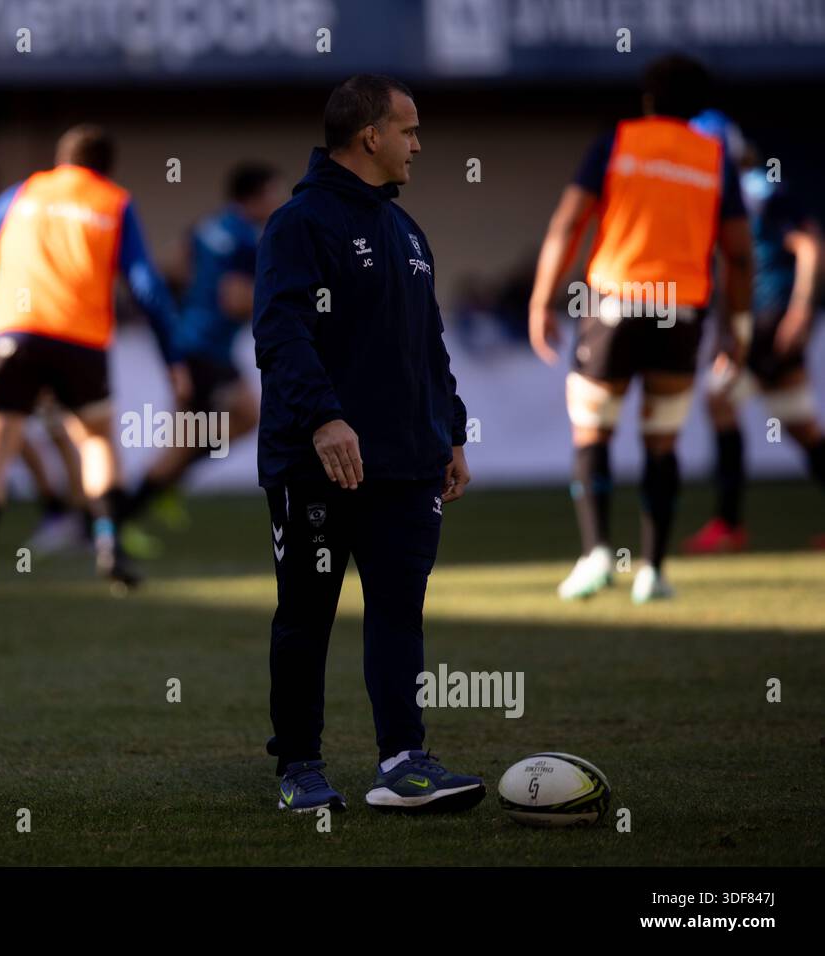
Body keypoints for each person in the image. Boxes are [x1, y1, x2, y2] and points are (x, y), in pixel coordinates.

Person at [253, 74, 483, 814]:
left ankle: (403, 765)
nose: (417, 144)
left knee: (398, 613)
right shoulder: (298, 224)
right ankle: (299, 767)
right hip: (316, 464)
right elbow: (280, 334)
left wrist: (451, 430)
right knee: (306, 615)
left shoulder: (406, 231)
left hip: (407, 463)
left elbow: (429, 343)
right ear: (370, 135)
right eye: (408, 130)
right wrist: (324, 418)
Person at [529, 55, 752, 603]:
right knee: (662, 441)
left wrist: (542, 298)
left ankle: (597, 555)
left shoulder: (617, 141)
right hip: (682, 310)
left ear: (647, 99)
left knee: (593, 430)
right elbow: (740, 254)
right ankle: (652, 570)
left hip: (615, 301)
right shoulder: (714, 157)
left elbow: (568, 221)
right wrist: (737, 328)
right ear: (699, 107)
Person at [0, 125, 186, 595]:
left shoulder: (25, 192)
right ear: (106, 168)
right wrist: (171, 357)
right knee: (96, 441)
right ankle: (109, 545)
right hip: (80, 339)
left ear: (61, 160)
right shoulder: (112, 201)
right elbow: (146, 285)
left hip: (11, 331)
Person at [683, 115, 825, 553]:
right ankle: (728, 523)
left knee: (719, 398)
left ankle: (729, 523)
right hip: (761, 317)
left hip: (769, 317)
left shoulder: (756, 189)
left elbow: (809, 245)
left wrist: (800, 309)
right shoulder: (728, 192)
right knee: (798, 423)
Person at [118, 163, 281, 541]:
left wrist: (182, 307)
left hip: (193, 344)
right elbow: (234, 299)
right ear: (256, 196)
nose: (278, 202)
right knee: (214, 430)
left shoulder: (206, 227)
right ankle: (119, 521)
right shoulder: (246, 239)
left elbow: (171, 267)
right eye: (275, 193)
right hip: (206, 350)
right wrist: (279, 302)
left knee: (216, 427)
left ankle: (152, 494)